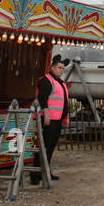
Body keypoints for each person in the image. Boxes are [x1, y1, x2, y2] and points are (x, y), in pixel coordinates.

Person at [31, 56, 70, 184]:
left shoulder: (61, 82)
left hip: (57, 119)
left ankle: (46, 172)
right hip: (48, 119)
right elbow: (42, 98)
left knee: (51, 147)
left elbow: (65, 102)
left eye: (63, 68)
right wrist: (46, 114)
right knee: (43, 147)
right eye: (59, 68)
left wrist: (66, 117)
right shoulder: (46, 80)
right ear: (52, 67)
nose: (61, 70)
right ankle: (36, 175)